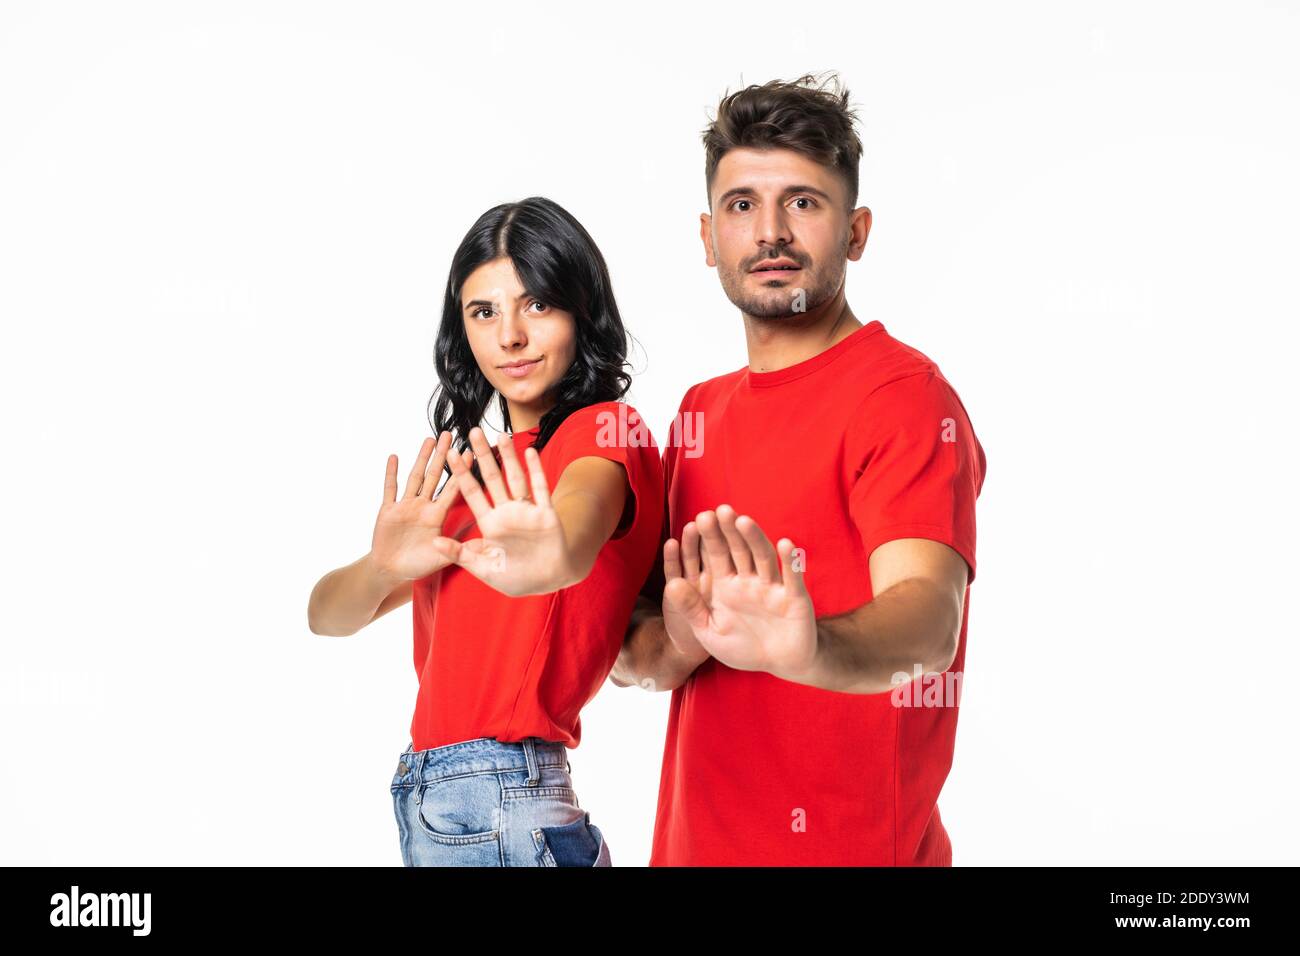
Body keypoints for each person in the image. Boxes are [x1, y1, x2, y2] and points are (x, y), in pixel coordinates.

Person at [611, 73, 988, 866]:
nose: (771, 232)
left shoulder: (904, 398)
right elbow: (634, 652)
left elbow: (929, 620)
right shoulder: (699, 414)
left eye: (804, 203)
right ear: (709, 237)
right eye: (743, 205)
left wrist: (807, 646)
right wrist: (680, 640)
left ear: (856, 231)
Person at [308, 196, 663, 866]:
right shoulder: (483, 477)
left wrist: (553, 551)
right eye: (484, 312)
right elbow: (325, 616)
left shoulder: (602, 431)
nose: (509, 337)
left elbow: (578, 522)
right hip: (444, 797)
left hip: (500, 793)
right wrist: (385, 566)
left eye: (537, 304)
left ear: (581, 309)